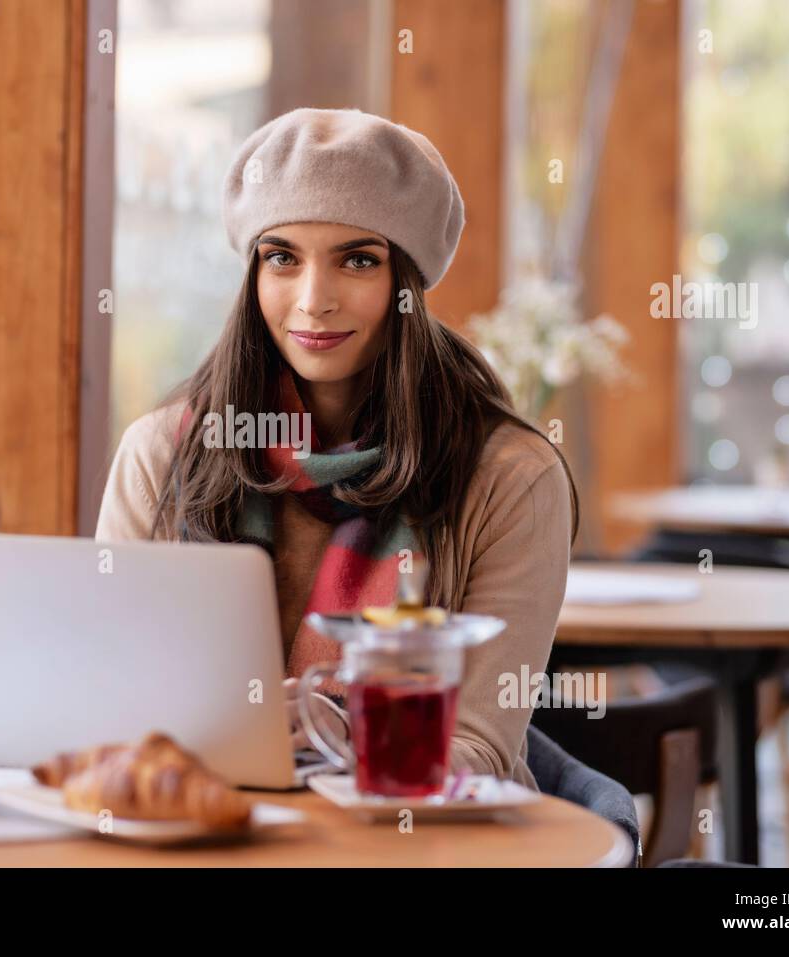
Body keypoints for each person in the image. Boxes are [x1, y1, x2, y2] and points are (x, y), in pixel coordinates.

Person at [96, 107, 577, 789]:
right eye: (282, 258)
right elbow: (107, 701)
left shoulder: (510, 476)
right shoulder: (160, 453)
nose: (313, 299)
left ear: (406, 282)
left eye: (357, 260)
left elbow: (481, 749)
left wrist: (336, 732)